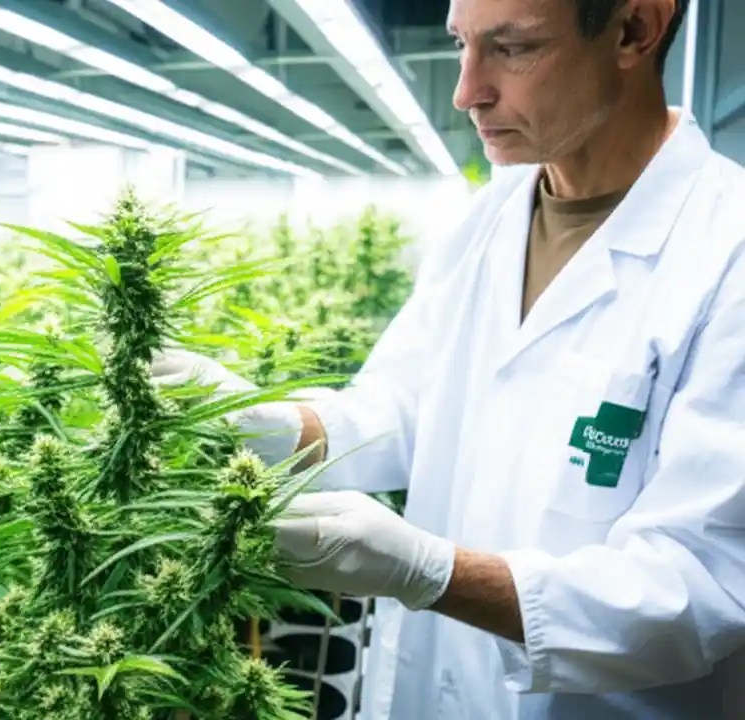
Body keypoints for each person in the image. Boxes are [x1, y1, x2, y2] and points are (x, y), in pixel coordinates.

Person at [151, 0, 745, 717]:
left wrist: (432, 572)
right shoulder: (490, 215)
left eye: (513, 48)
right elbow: (403, 407)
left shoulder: (728, 254)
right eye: (461, 44)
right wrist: (254, 421)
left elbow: (697, 587)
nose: (466, 91)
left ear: (633, 30)